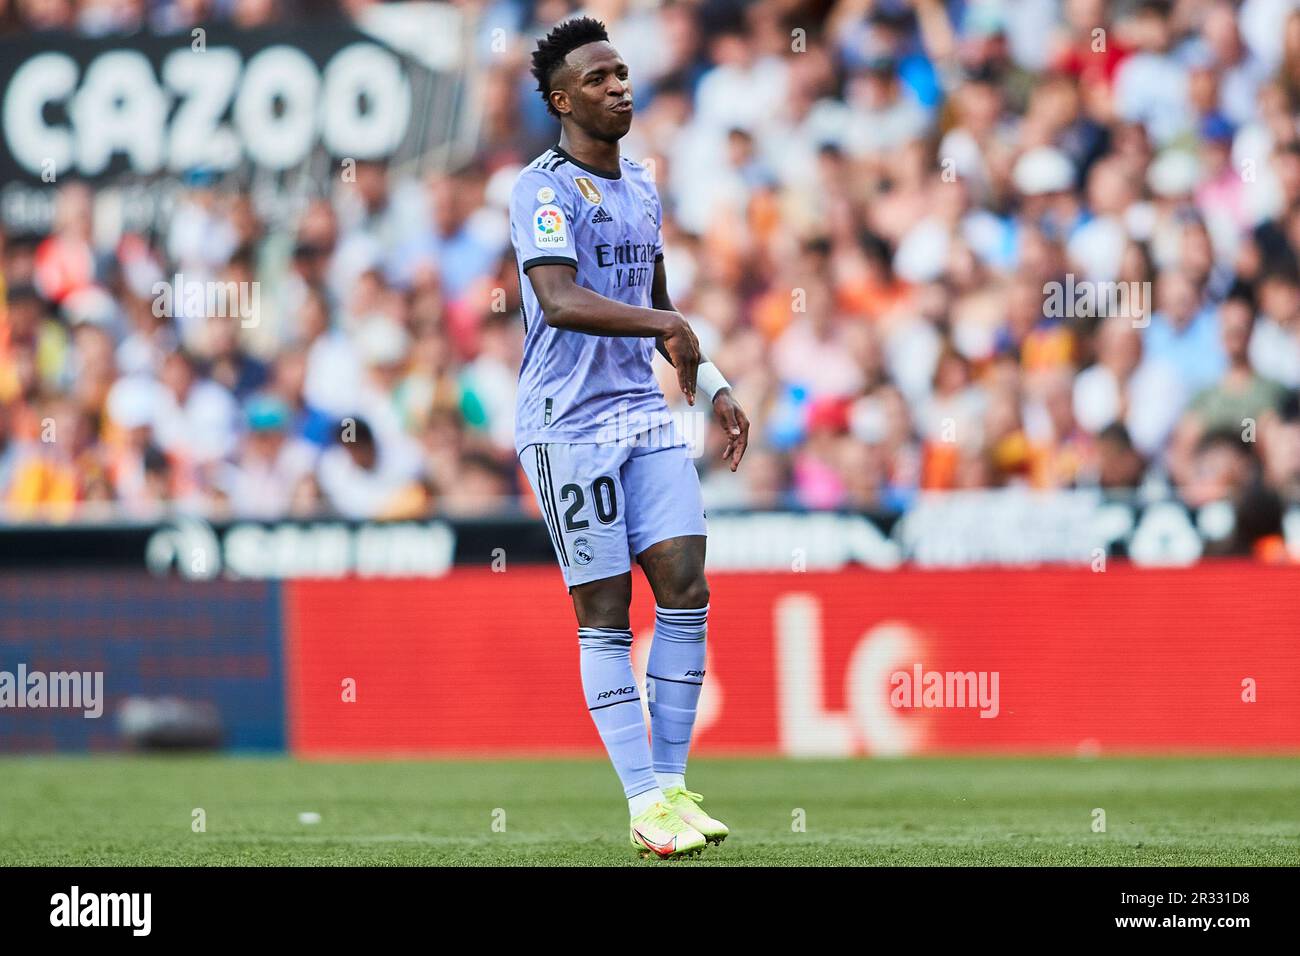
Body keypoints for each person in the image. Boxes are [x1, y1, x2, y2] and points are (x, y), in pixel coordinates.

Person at [510, 17, 749, 860]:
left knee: (686, 585)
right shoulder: (540, 191)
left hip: (640, 415)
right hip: (565, 425)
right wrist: (667, 320)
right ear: (561, 99)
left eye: (623, 72)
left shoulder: (642, 184)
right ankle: (643, 800)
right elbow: (563, 300)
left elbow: (656, 301)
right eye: (600, 77)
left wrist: (712, 381)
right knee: (606, 612)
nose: (620, 86)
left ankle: (675, 788)